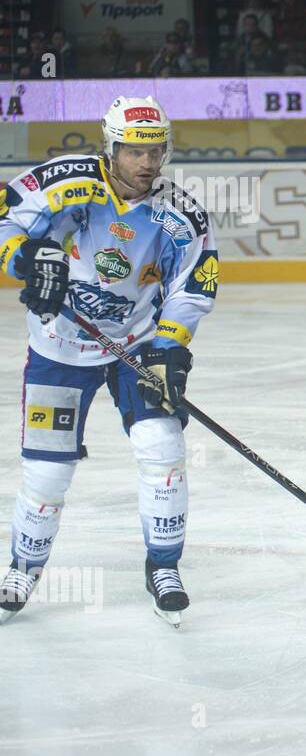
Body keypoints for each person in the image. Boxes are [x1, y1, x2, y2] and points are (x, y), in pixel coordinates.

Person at [0, 97, 218, 627]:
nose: (146, 162)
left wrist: (169, 347)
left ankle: (163, 566)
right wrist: (27, 259)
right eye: (134, 150)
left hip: (137, 345)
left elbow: (193, 286)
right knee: (48, 471)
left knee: (162, 448)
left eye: (155, 150)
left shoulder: (180, 211)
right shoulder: (61, 183)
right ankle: (24, 566)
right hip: (60, 346)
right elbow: (5, 222)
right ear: (110, 146)